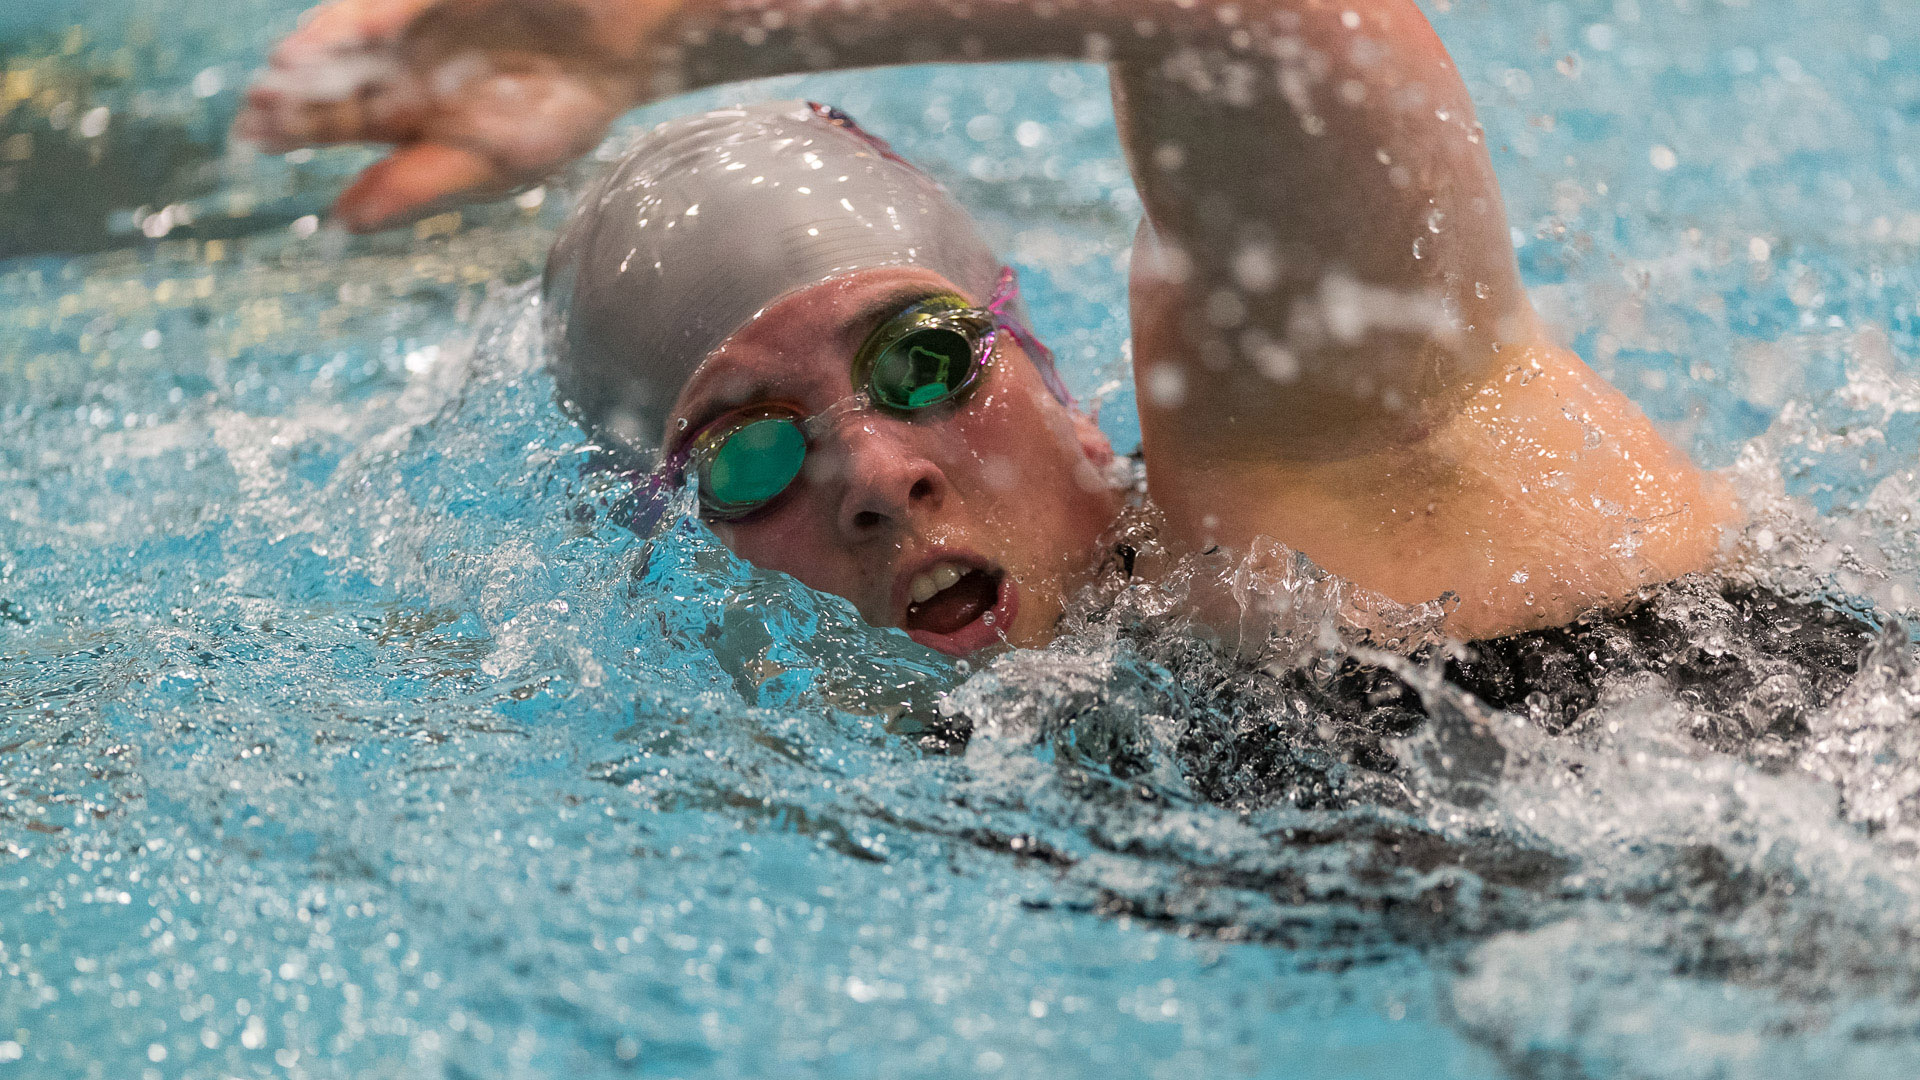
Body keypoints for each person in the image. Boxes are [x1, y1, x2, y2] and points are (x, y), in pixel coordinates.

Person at [236, 0, 1742, 660]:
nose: (877, 475)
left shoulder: (1313, 486)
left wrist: (671, 31)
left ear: (1058, 385)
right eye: (750, 453)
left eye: (921, 360)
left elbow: (1257, 22)